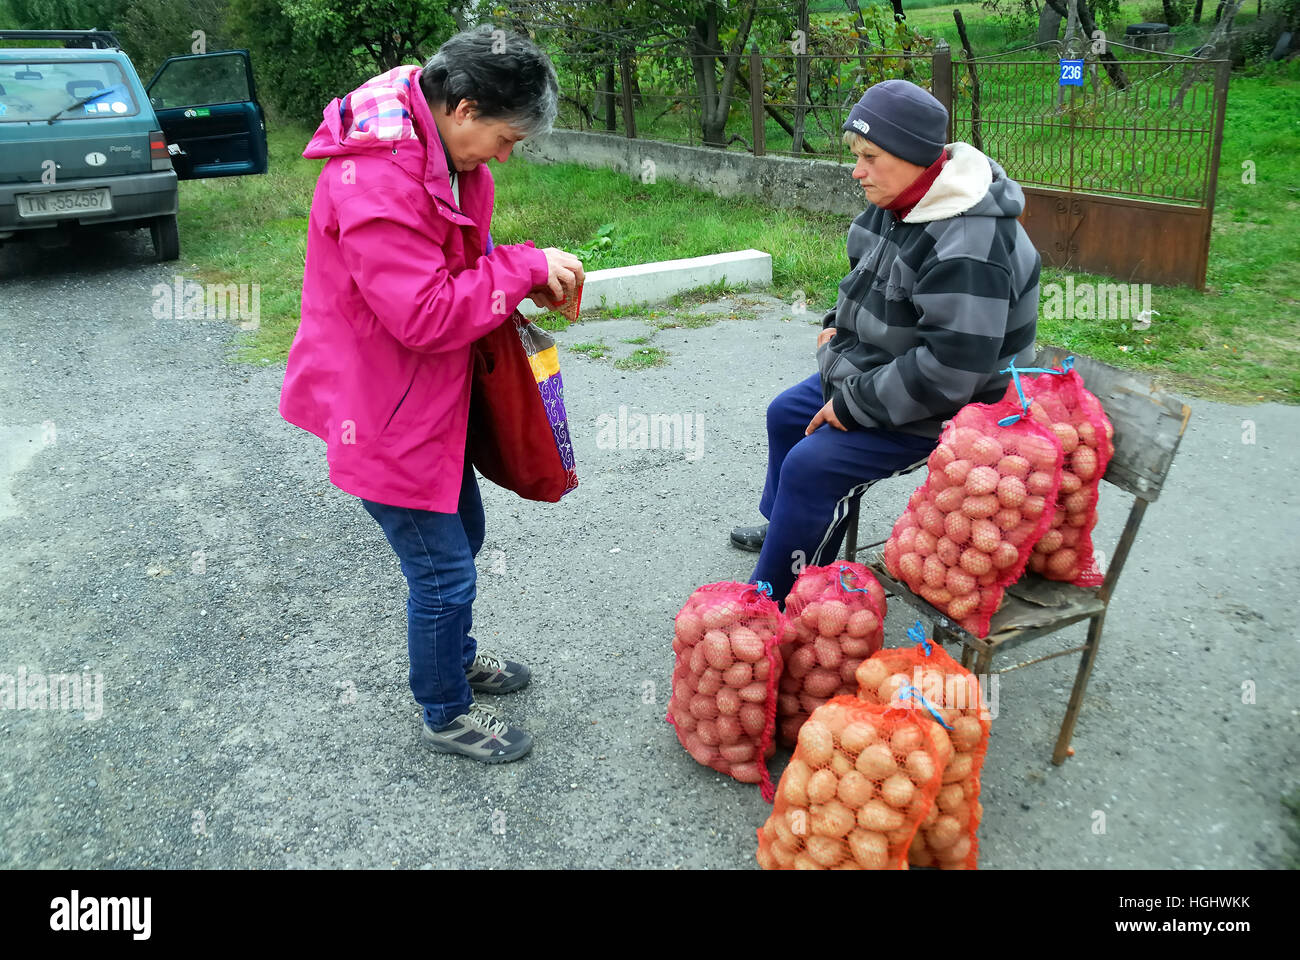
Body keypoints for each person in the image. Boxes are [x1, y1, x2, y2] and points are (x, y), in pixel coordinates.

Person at [278, 27, 584, 764]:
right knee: (443, 570)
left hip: (428, 400)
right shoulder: (376, 178)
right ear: (464, 106)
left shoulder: (435, 147)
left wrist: (518, 276)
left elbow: (451, 272)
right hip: (382, 411)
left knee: (464, 542)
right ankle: (444, 711)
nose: (506, 157)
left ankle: (455, 659)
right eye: (506, 138)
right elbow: (422, 314)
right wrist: (521, 265)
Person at [730, 79, 1041, 605]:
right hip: (886, 369)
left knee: (811, 466)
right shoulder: (897, 200)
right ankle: (787, 532)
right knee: (786, 413)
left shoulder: (970, 241)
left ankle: (774, 601)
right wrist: (836, 322)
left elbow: (954, 370)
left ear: (917, 157)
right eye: (856, 156)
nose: (857, 171)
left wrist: (852, 404)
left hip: (955, 408)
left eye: (870, 157)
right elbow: (864, 278)